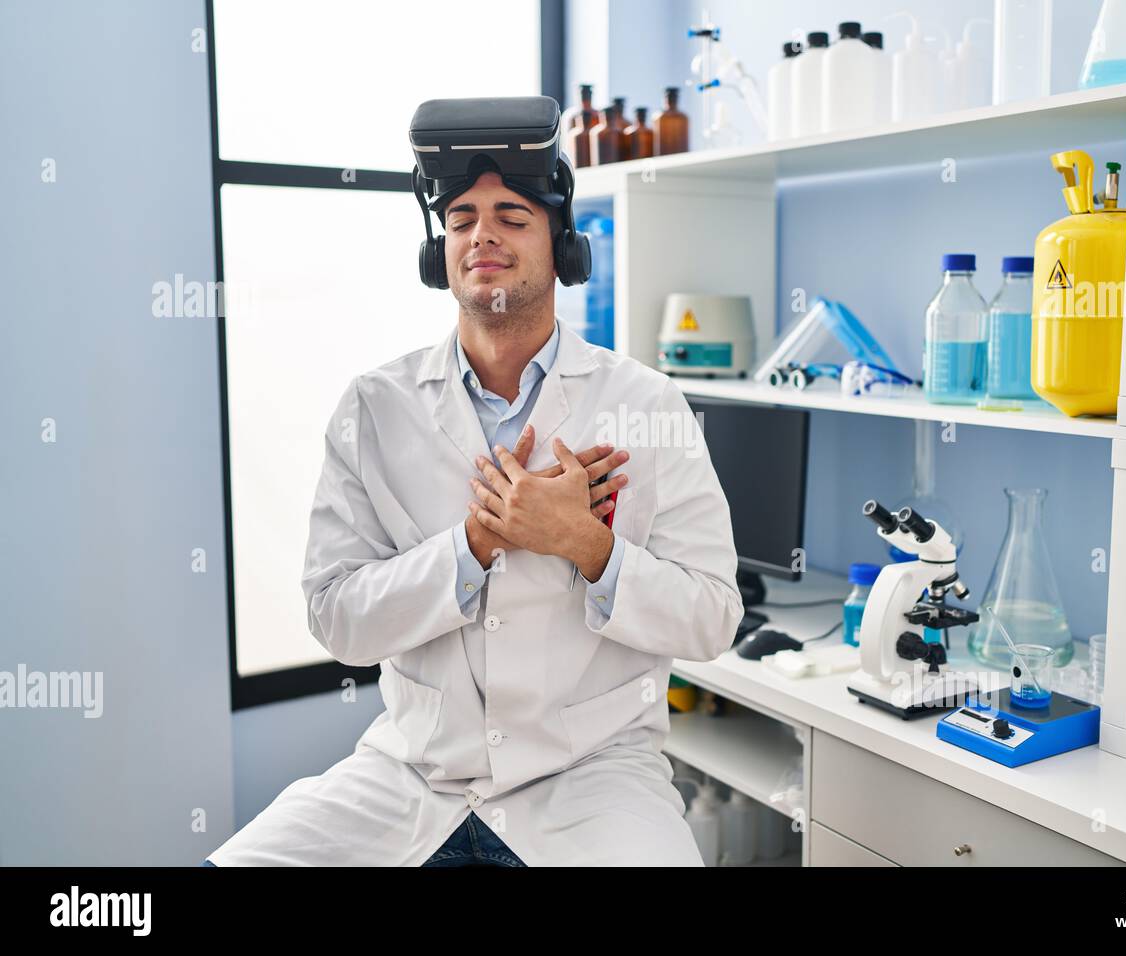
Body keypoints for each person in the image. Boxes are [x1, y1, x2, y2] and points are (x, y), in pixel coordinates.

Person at [204, 116, 743, 866]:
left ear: (562, 246)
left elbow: (713, 617)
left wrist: (586, 545)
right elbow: (337, 618)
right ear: (439, 252)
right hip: (413, 776)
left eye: (511, 217)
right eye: (461, 220)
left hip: (591, 782)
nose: (481, 235)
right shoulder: (375, 406)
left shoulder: (647, 406)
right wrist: (477, 543)